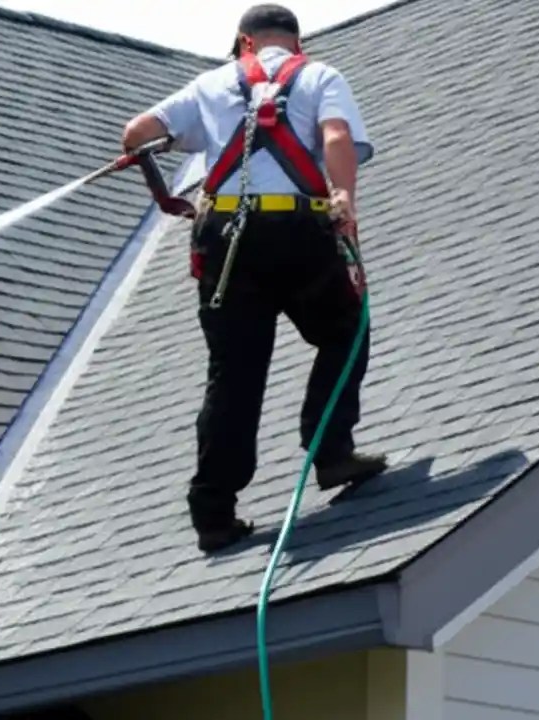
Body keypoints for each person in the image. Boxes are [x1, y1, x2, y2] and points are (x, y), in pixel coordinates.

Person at [121, 3, 388, 553]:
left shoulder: (212, 83)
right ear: (295, 42)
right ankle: (331, 451)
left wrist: (171, 152)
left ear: (243, 43)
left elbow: (137, 132)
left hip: (224, 234)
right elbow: (335, 136)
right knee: (346, 327)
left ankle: (214, 515)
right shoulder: (319, 76)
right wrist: (343, 198)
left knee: (235, 373)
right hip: (296, 228)